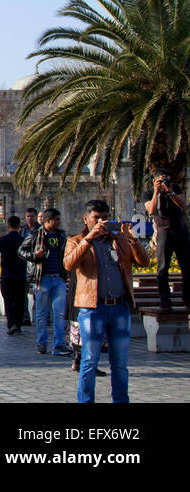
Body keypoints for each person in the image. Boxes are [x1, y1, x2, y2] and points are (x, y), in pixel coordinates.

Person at [65, 198, 151, 403]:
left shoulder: (119, 239)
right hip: (92, 308)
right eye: (97, 218)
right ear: (86, 219)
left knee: (120, 363)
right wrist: (89, 239)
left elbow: (144, 261)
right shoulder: (76, 240)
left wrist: (133, 240)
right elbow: (69, 264)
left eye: (105, 218)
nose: (101, 222)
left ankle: (120, 400)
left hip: (119, 307)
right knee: (89, 360)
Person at [20, 207, 70, 355]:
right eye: (57, 219)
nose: (59, 222)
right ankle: (41, 343)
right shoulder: (35, 235)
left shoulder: (61, 235)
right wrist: (34, 256)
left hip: (58, 278)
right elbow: (21, 251)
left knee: (60, 313)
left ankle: (59, 344)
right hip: (42, 279)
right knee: (41, 313)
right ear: (48, 221)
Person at [142, 172, 190, 313]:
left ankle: (188, 300)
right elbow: (151, 210)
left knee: (187, 267)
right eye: (160, 180)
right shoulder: (149, 193)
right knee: (162, 268)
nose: (163, 183)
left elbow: (184, 205)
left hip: (180, 231)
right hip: (164, 232)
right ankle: (165, 301)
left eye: (166, 180)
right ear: (154, 181)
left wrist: (170, 192)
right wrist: (157, 192)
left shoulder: (175, 188)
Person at [0, 215, 27, 334]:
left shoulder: (3, 239)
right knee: (20, 299)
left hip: (7, 274)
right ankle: (18, 323)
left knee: (8, 299)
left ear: (8, 225)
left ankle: (11, 323)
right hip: (20, 274)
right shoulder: (23, 240)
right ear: (19, 226)